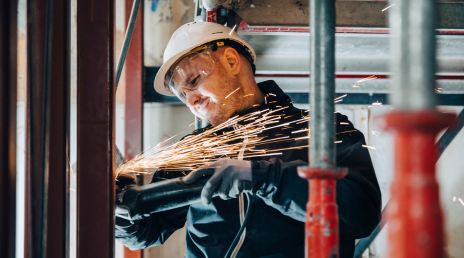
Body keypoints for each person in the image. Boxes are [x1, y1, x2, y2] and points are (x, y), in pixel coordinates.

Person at [115, 21, 381, 258]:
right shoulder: (193, 151)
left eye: (194, 81)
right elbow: (146, 233)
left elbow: (360, 216)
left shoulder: (321, 130)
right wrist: (121, 214)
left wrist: (265, 178)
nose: (192, 101)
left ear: (231, 61)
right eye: (183, 95)